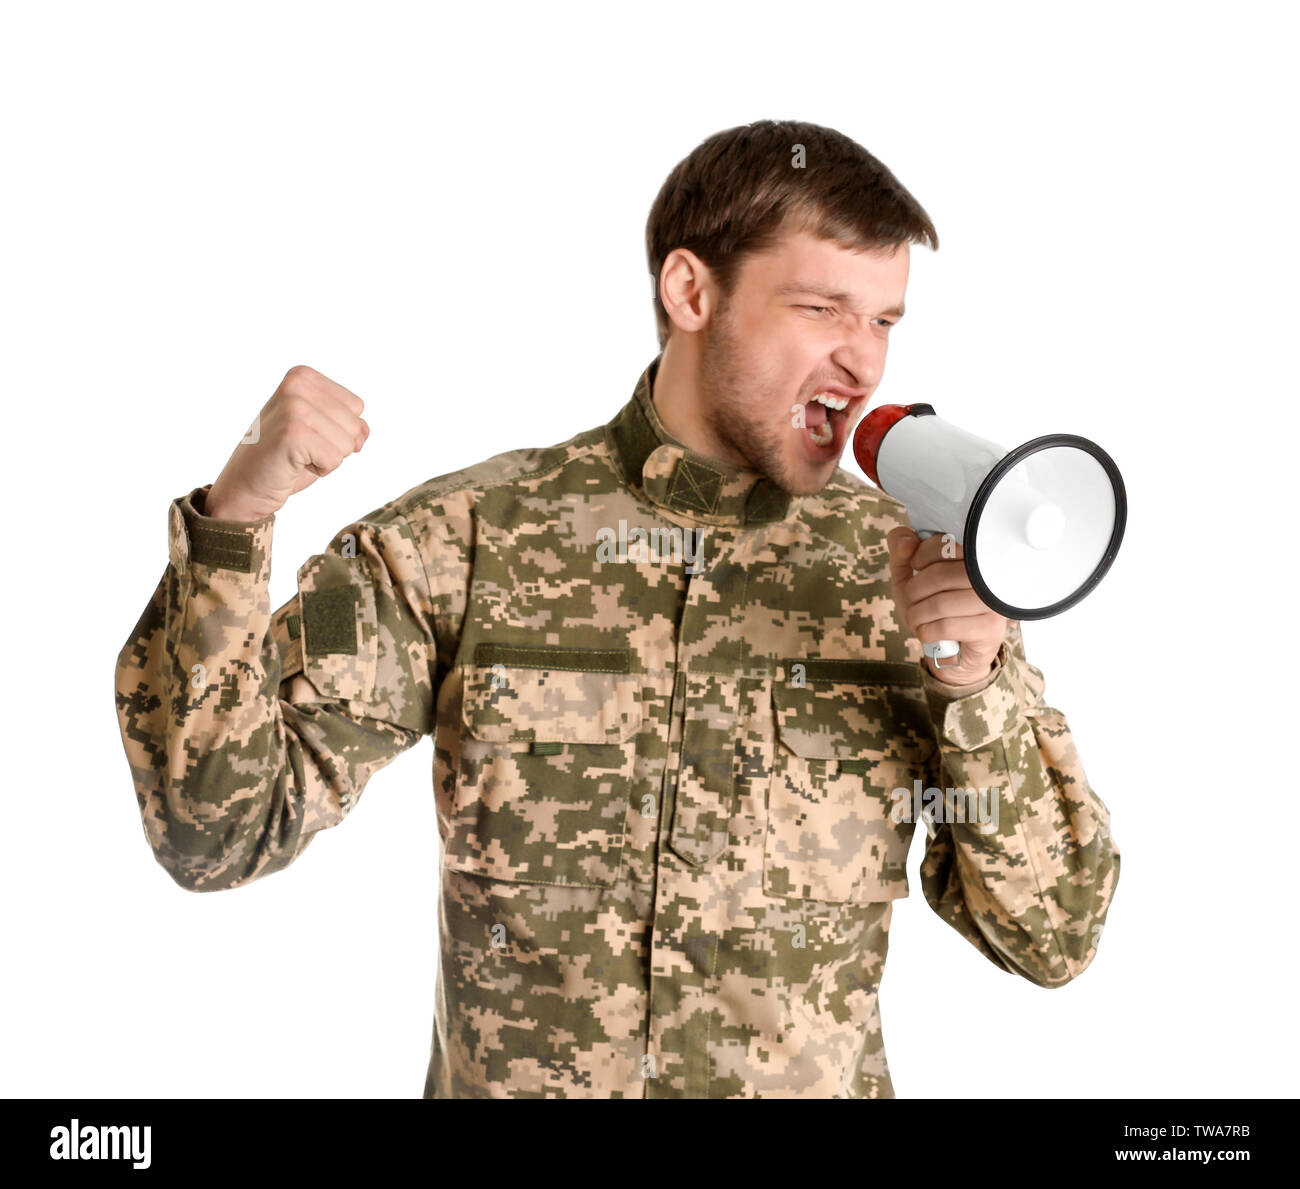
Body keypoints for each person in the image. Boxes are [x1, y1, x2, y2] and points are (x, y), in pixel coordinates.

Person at [114, 118, 1120, 1098]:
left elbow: (1054, 937)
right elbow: (217, 834)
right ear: (691, 291)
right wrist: (233, 522)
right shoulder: (460, 542)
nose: (864, 363)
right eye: (821, 309)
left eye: (885, 320)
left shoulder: (911, 576)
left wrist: (972, 687)